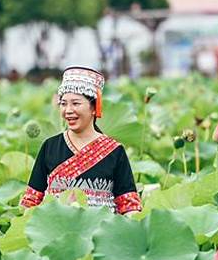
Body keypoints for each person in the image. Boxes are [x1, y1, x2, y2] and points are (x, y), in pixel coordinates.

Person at [20, 66, 141, 215]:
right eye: (63, 104)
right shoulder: (49, 146)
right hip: (55, 231)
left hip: (101, 233)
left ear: (94, 107)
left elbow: (129, 206)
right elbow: (31, 201)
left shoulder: (115, 151)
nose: (68, 110)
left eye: (76, 103)